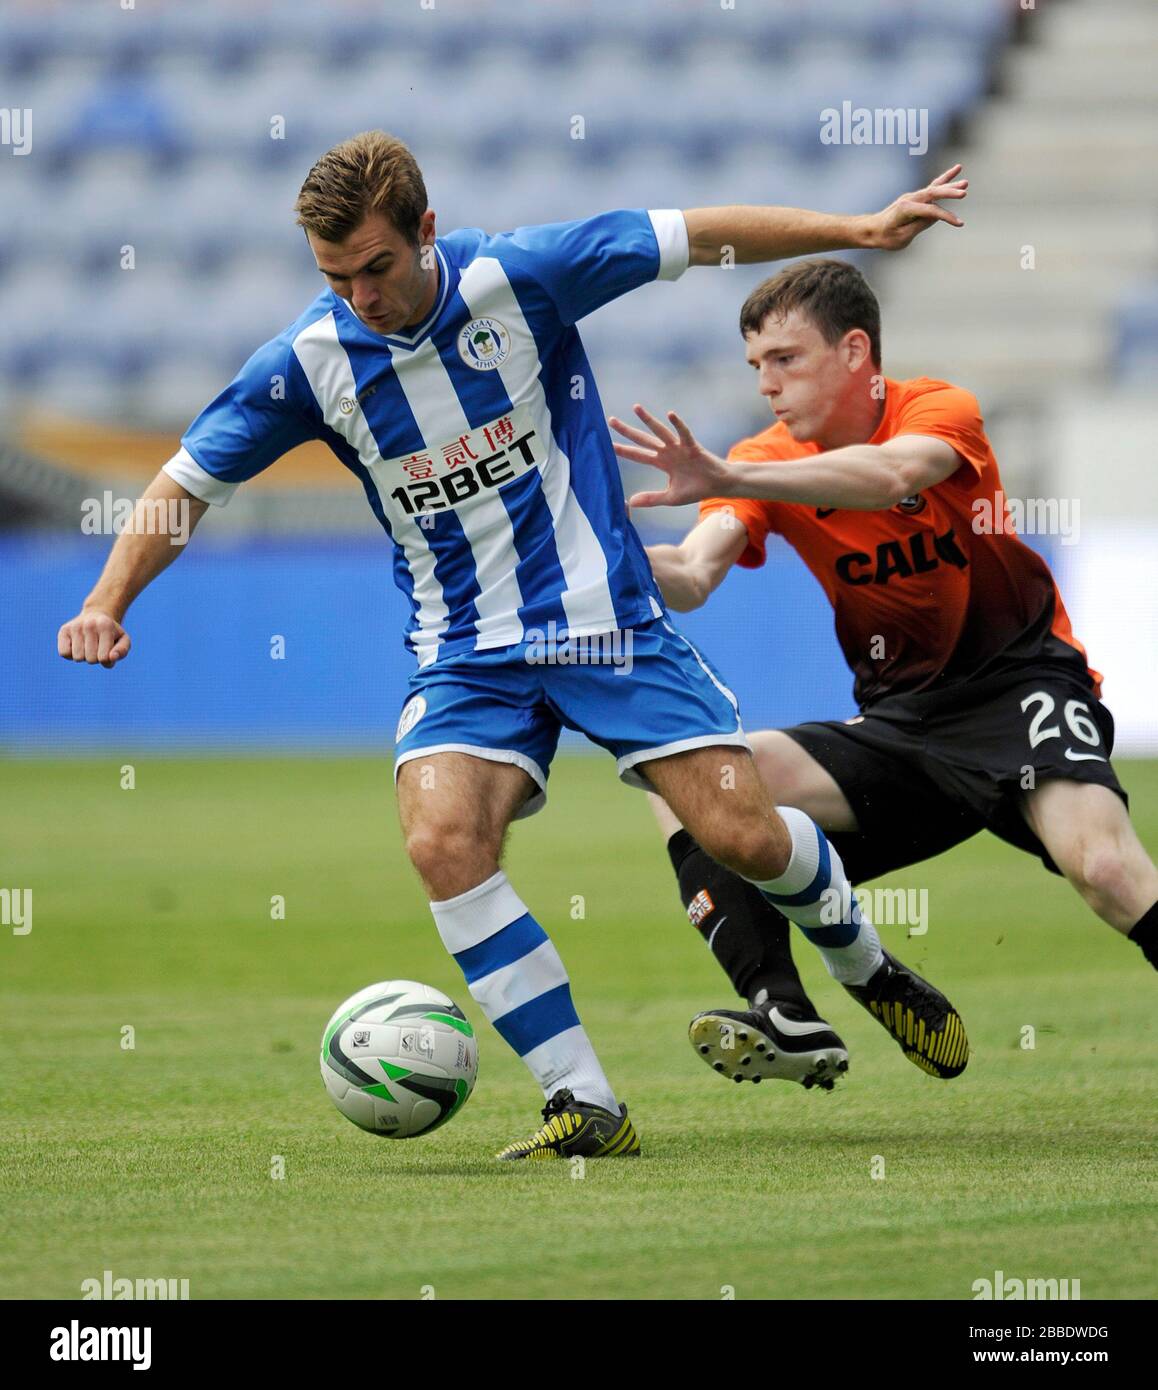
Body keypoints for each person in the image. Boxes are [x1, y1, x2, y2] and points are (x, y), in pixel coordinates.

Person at [58, 132, 972, 1158]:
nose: (360, 295)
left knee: (745, 837)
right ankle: (583, 1100)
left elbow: (695, 231)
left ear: (427, 232)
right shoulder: (311, 364)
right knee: (441, 840)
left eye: (377, 267)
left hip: (606, 624)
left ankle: (869, 970)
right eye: (335, 277)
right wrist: (107, 597)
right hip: (464, 650)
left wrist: (858, 227)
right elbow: (188, 482)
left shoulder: (522, 275)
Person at [611, 257, 1158, 1089]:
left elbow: (892, 475)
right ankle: (786, 1011)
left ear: (855, 350)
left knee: (1108, 870)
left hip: (1020, 690)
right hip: (901, 728)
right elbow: (693, 571)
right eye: (756, 364)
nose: (766, 383)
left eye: (785, 359)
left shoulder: (938, 411)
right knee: (689, 779)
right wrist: (610, 562)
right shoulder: (762, 458)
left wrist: (733, 475)